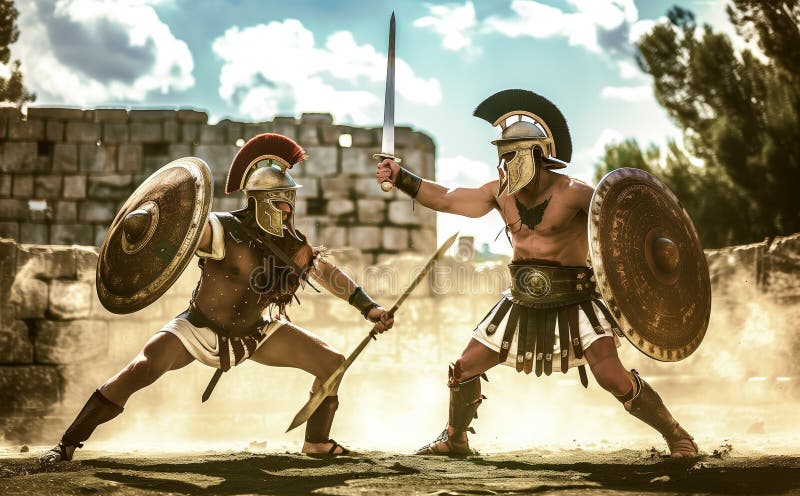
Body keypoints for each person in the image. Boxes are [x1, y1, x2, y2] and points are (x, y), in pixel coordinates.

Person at [376, 89, 697, 458]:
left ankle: (676, 435)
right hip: (521, 300)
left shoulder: (575, 193)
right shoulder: (500, 192)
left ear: (537, 154)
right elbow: (448, 197)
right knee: (463, 368)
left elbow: (623, 229)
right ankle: (455, 439)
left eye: (511, 155)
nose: (504, 163)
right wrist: (401, 177)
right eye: (501, 155)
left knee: (611, 376)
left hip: (575, 298)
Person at [41, 133, 393, 463]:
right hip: (198, 328)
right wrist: (145, 225)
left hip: (255, 332)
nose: (286, 209)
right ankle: (68, 444)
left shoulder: (293, 245)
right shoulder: (220, 228)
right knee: (142, 369)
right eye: (279, 201)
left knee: (332, 363)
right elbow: (178, 230)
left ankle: (317, 443)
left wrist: (369, 308)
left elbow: (325, 272)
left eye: (290, 200)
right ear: (258, 201)